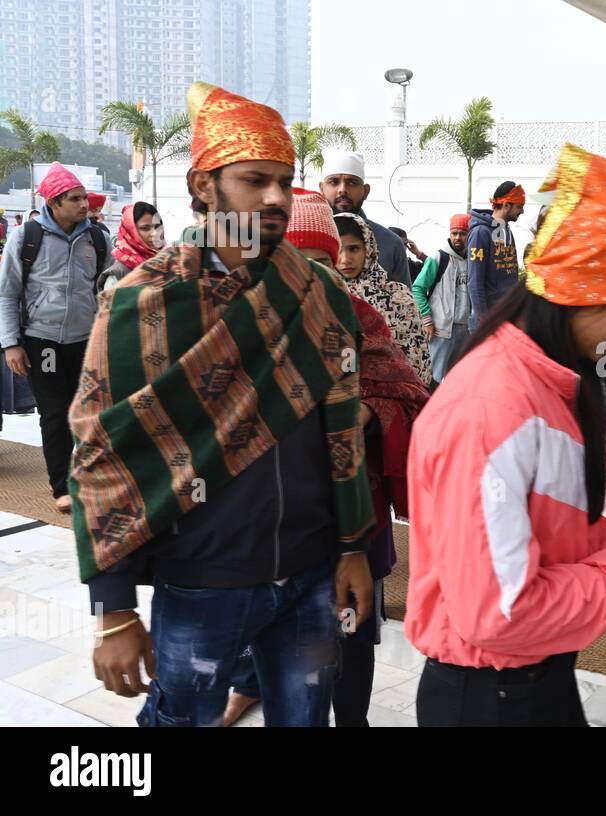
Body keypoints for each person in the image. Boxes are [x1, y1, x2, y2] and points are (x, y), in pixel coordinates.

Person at [71, 81, 376, 728]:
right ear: (204, 186)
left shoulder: (316, 288)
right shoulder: (142, 303)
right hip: (203, 578)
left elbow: (343, 422)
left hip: (311, 573)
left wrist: (353, 545)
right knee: (180, 721)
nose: (273, 197)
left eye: (284, 180)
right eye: (252, 180)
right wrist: (116, 609)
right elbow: (103, 451)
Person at [405, 144, 606, 727]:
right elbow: (498, 612)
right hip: (487, 697)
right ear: (577, 293)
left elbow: (564, 528)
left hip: (535, 679)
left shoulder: (547, 386)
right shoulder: (490, 408)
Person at [225, 188, 430, 727]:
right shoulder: (246, 325)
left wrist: (363, 413)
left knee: (354, 628)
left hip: (355, 514)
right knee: (285, 638)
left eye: (323, 262)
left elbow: (406, 392)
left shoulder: (364, 317)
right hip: (278, 519)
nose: (312, 279)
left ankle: (354, 718)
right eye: (297, 263)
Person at [0, 161, 110, 514]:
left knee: (90, 412)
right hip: (41, 341)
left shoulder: (97, 237)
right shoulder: (25, 237)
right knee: (54, 413)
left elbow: (107, 287)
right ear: (54, 203)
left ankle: (91, 478)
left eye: (84, 198)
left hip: (85, 340)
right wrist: (11, 344)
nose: (84, 205)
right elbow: (7, 294)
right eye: (76, 199)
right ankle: (61, 486)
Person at [335, 212, 434, 386]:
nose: (345, 259)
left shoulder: (399, 297)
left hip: (394, 396)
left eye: (354, 249)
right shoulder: (324, 295)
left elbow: (417, 360)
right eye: (338, 249)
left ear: (369, 249)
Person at [319, 150, 411, 287]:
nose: (342, 189)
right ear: (321, 189)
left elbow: (404, 303)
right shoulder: (309, 240)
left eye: (352, 182)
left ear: (365, 191)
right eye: (334, 182)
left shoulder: (391, 244)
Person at [411, 214, 471, 384]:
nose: (458, 237)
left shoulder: (473, 260)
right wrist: (427, 320)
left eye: (462, 233)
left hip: (465, 330)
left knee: (457, 380)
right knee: (434, 378)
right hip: (441, 329)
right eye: (455, 233)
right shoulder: (439, 258)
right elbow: (418, 288)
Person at [467, 181, 525, 329]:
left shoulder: (507, 231)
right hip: (487, 323)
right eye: (519, 206)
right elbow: (474, 283)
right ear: (506, 205)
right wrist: (485, 322)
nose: (522, 211)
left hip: (505, 317)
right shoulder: (480, 233)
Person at [97, 202, 164, 292]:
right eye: (145, 228)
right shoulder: (118, 275)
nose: (155, 233)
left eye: (157, 226)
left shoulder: (168, 262)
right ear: (130, 232)